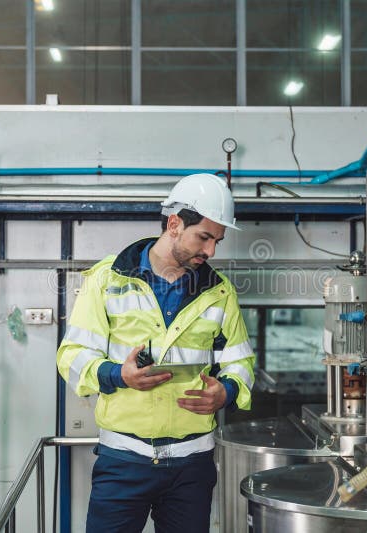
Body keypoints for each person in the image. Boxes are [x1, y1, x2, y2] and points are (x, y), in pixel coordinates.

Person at [57, 173, 255, 533]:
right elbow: (72, 355)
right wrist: (119, 375)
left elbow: (240, 362)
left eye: (217, 241)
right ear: (174, 224)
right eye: (204, 237)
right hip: (123, 460)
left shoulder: (221, 292)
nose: (211, 251)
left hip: (192, 465)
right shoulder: (107, 280)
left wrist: (226, 392)